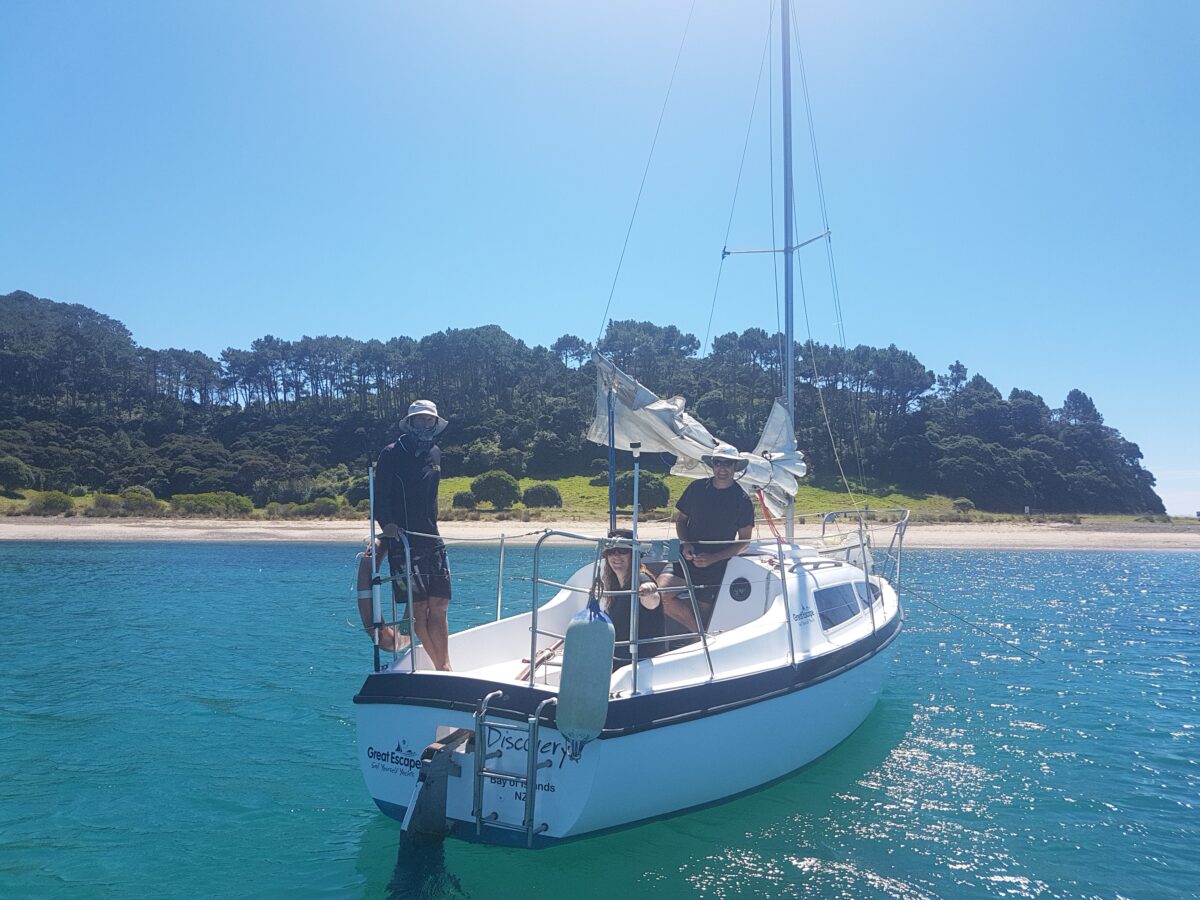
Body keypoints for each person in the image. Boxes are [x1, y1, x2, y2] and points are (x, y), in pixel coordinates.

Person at [374, 399, 453, 671]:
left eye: (430, 419)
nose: (426, 423)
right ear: (410, 422)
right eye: (421, 418)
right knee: (418, 609)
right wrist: (387, 524)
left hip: (432, 539)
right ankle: (442, 668)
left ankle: (445, 664)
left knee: (440, 604)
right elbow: (380, 496)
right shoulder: (392, 453)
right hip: (404, 542)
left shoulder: (435, 453)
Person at [658, 443, 755, 635]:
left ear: (735, 466)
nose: (722, 468)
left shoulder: (742, 500)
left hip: (716, 566)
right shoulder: (696, 488)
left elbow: (744, 542)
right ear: (712, 465)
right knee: (659, 593)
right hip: (686, 558)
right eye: (718, 462)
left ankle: (699, 640)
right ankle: (698, 635)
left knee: (705, 616)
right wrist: (686, 544)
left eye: (727, 463)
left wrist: (714, 558)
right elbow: (681, 521)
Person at [600, 529, 665, 669]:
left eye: (623, 551)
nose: (616, 556)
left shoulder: (641, 578)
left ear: (633, 554)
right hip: (617, 658)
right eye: (611, 551)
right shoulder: (615, 584)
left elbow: (653, 602)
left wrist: (648, 591)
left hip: (638, 664)